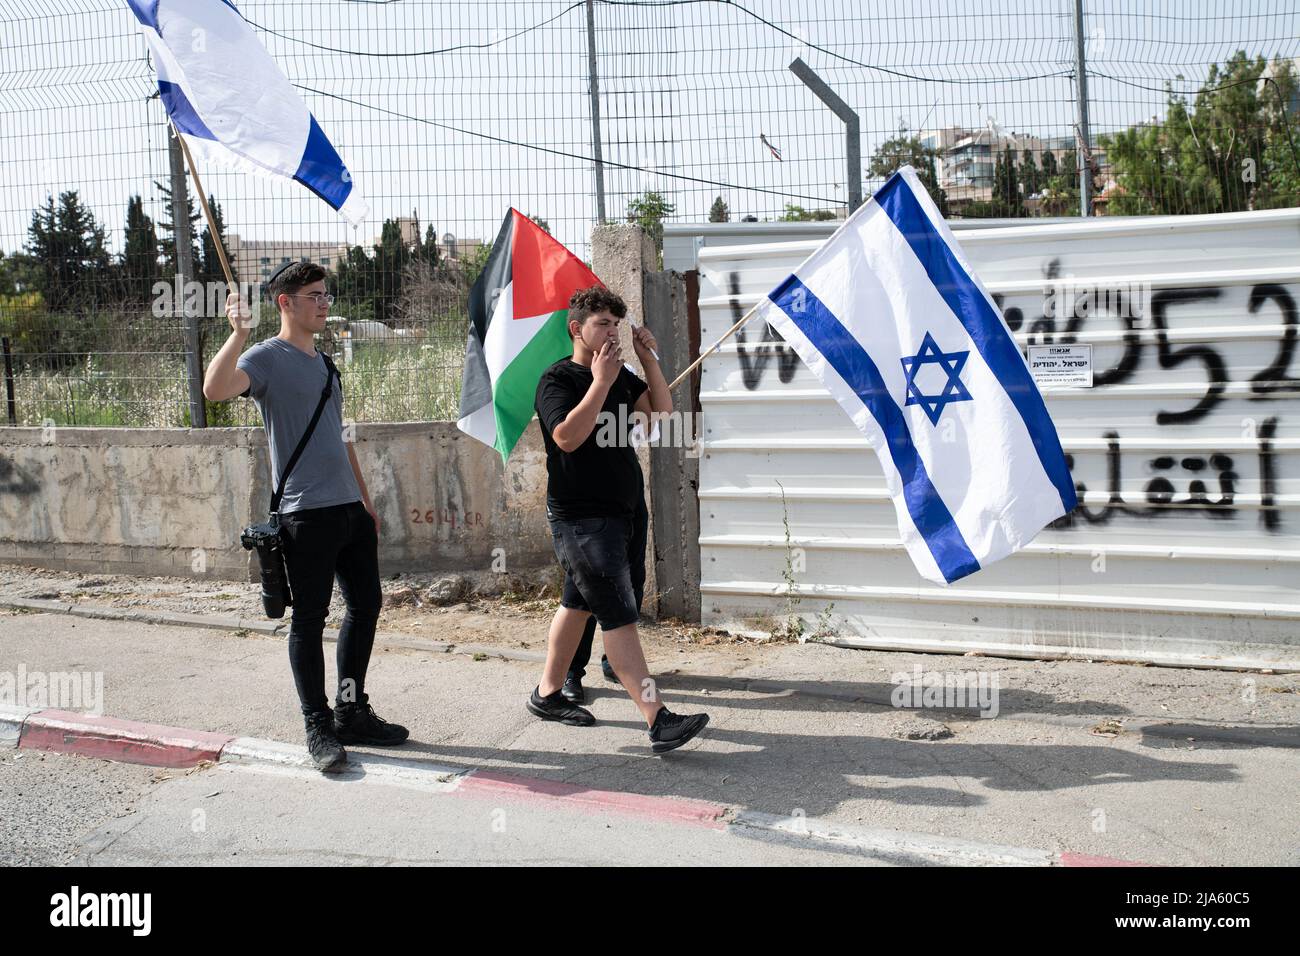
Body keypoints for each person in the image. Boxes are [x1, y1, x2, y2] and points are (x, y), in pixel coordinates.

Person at [202, 260, 408, 772]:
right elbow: (214, 389)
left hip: (348, 512)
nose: (324, 303)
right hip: (304, 513)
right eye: (314, 295)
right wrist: (237, 333)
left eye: (325, 295)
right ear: (285, 303)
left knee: (365, 608)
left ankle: (351, 710)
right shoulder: (265, 357)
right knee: (309, 620)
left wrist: (364, 503)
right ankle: (317, 724)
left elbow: (338, 434)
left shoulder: (324, 363)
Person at [528, 285, 709, 754]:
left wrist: (648, 359)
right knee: (619, 616)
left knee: (578, 603)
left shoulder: (622, 376)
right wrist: (601, 383)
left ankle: (547, 694)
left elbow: (663, 417)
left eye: (615, 323)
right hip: (581, 519)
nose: (611, 331)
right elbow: (567, 437)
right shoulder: (558, 380)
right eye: (601, 323)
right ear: (577, 329)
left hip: (624, 512)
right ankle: (658, 717)